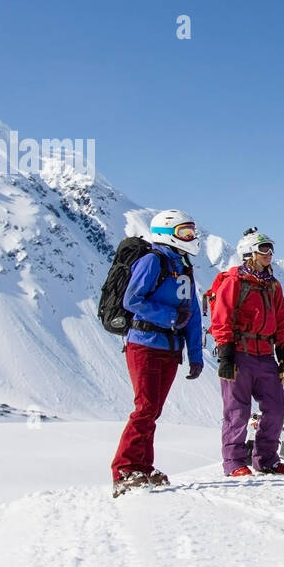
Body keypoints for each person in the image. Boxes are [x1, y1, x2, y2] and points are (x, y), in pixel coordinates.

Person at [111, 209, 205, 497]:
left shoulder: (183, 267)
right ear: (167, 233)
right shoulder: (153, 260)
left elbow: (194, 314)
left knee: (153, 410)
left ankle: (143, 466)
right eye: (185, 232)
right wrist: (169, 316)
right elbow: (132, 299)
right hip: (145, 343)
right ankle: (124, 470)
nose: (191, 237)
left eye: (192, 231)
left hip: (170, 349)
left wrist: (196, 355)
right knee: (145, 408)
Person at [209, 228, 284, 477]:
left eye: (270, 248)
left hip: (265, 355)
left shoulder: (273, 286)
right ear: (249, 253)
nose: (269, 253)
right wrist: (225, 356)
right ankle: (234, 462)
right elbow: (221, 318)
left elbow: (281, 322)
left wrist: (283, 356)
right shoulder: (235, 282)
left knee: (277, 406)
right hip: (239, 353)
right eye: (263, 249)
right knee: (237, 411)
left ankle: (266, 459)